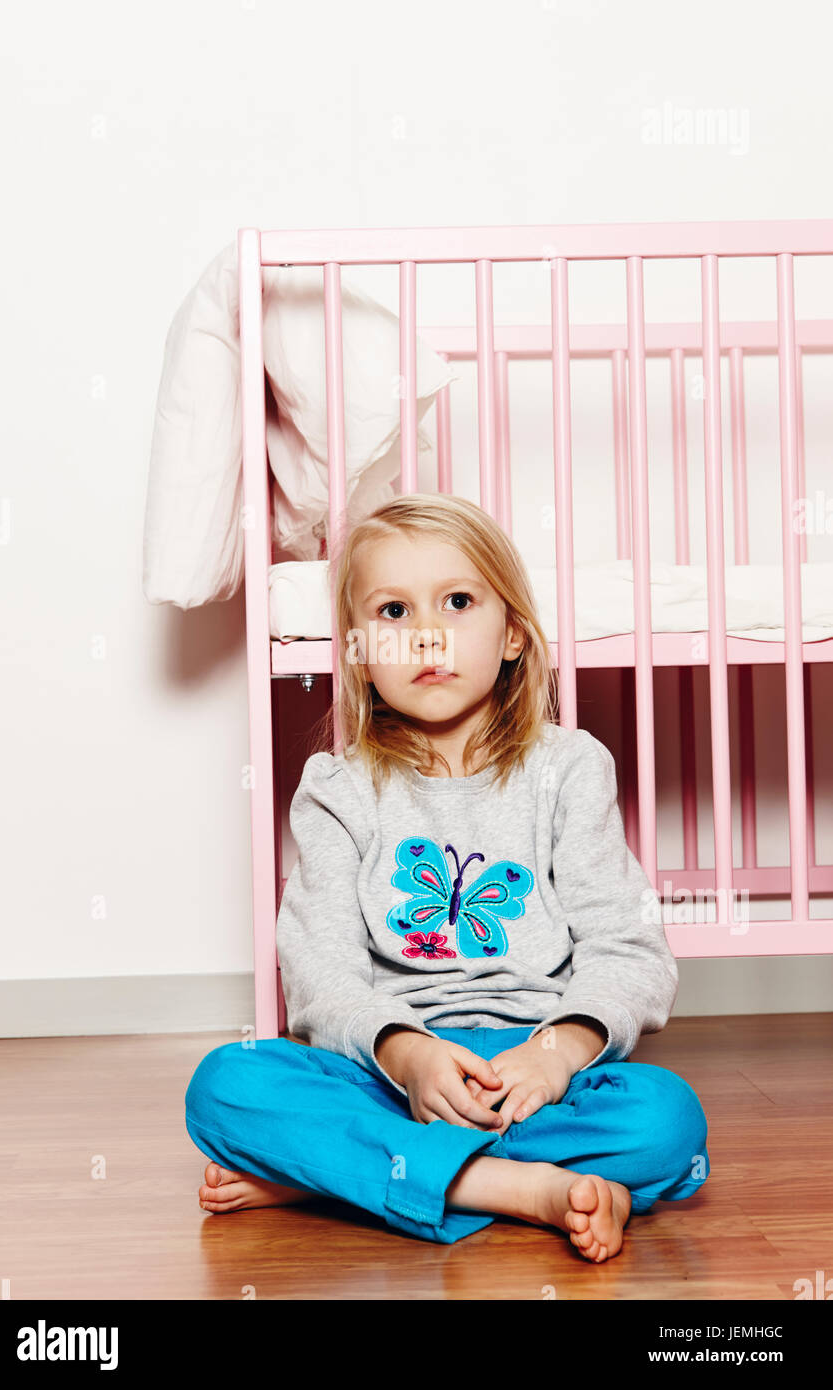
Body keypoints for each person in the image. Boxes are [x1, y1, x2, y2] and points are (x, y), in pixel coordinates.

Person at [185, 493, 709, 1261]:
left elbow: (627, 950)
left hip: (531, 1074)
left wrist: (556, 1052)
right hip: (390, 1074)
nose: (427, 634)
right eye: (393, 612)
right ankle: (519, 1191)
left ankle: (338, 1175)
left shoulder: (569, 770)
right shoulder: (338, 788)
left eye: (457, 602)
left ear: (514, 638)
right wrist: (407, 1052)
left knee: (667, 1120)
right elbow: (319, 972)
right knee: (226, 1084)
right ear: (360, 650)